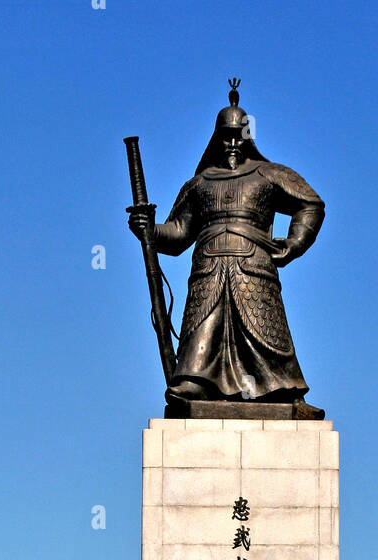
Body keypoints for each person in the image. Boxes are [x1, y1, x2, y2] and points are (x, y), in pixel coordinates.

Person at [129, 80, 325, 414]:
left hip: (253, 270)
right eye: (226, 136)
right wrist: (149, 231)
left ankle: (283, 392)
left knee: (265, 335)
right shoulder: (199, 184)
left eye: (239, 135)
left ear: (248, 137)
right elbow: (179, 233)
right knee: (200, 339)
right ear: (216, 137)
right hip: (208, 269)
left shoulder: (269, 174)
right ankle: (194, 385)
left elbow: (311, 204)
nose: (232, 143)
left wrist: (294, 244)